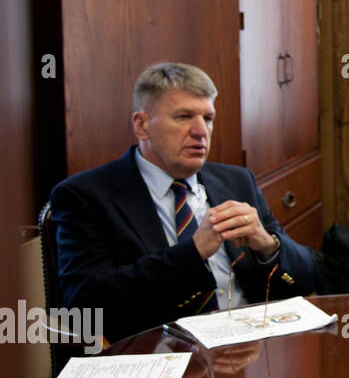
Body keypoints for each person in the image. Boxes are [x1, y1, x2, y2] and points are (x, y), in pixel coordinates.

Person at [50, 63, 316, 345]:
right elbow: (84, 307)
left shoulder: (237, 181)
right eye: (184, 117)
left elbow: (307, 278)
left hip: (251, 348)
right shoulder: (85, 195)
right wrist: (193, 253)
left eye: (208, 118)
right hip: (160, 354)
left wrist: (268, 246)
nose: (201, 131)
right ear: (142, 126)